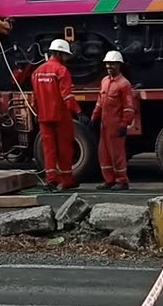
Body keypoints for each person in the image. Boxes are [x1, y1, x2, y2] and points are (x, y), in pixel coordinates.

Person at [31, 38, 81, 191]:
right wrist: (78, 112)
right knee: (65, 148)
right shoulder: (61, 70)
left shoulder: (37, 72)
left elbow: (34, 97)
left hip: (44, 116)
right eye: (65, 55)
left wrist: (36, 113)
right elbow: (67, 96)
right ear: (59, 54)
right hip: (61, 116)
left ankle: (51, 180)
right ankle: (67, 180)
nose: (67, 58)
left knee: (49, 149)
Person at [91, 51, 135, 190]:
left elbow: (128, 107)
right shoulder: (104, 81)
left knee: (117, 154)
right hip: (104, 125)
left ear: (119, 65)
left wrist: (124, 124)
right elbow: (100, 102)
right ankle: (109, 180)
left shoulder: (124, 84)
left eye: (112, 64)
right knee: (103, 153)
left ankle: (122, 181)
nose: (109, 66)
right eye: (107, 63)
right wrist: (94, 118)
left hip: (116, 125)